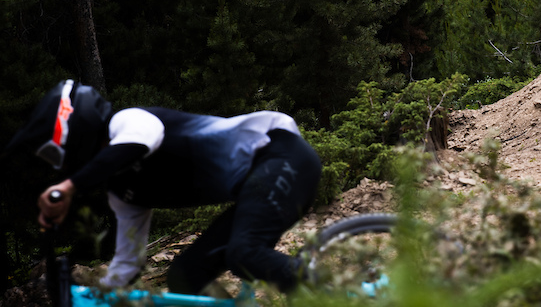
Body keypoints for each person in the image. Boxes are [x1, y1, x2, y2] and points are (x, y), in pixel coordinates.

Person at [3, 80, 322, 294]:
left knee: (245, 253)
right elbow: (128, 264)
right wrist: (101, 297)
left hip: (282, 156)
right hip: (257, 185)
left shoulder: (128, 122)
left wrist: (69, 187)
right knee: (184, 276)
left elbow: (140, 143)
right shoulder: (124, 194)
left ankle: (331, 291)